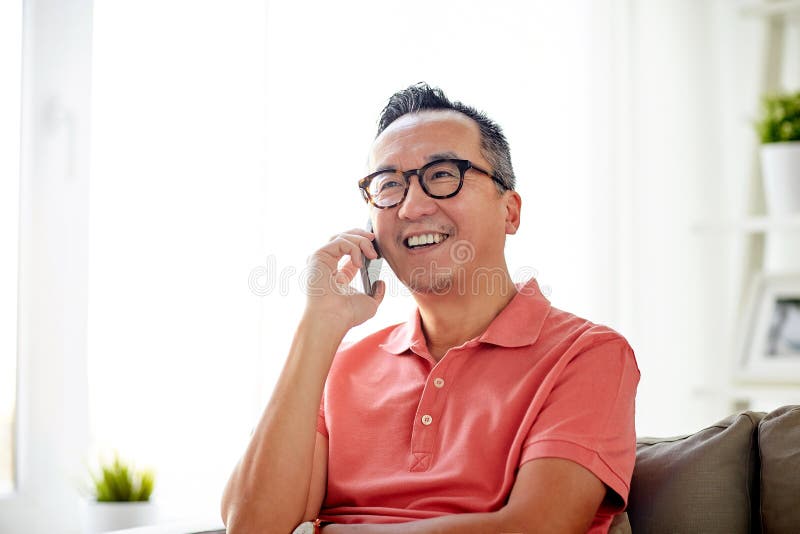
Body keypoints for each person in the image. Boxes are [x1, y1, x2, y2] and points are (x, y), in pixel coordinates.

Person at [221, 83, 640, 534]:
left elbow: (534, 528)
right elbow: (250, 526)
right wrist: (317, 327)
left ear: (510, 212)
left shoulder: (589, 355)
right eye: (389, 185)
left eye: (443, 175)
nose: (412, 207)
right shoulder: (339, 368)